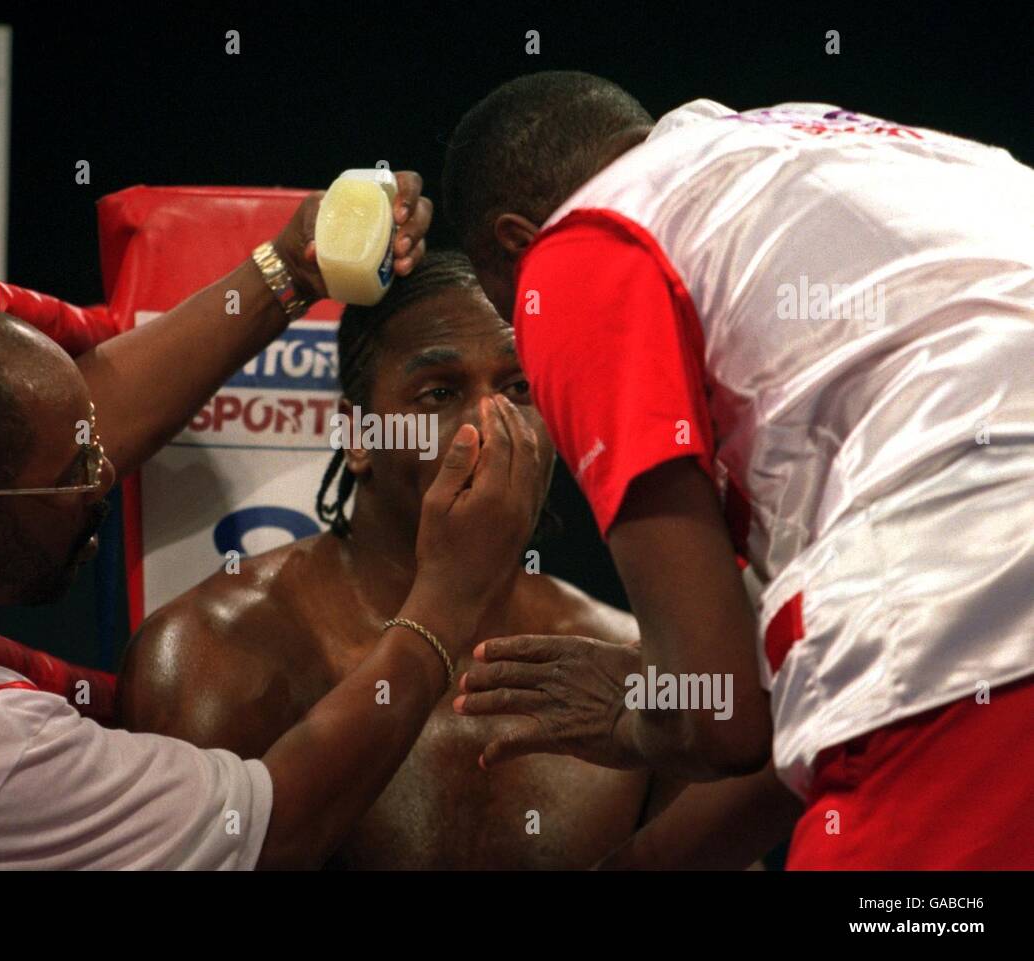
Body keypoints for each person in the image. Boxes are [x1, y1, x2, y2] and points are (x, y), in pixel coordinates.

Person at [0, 180, 550, 871]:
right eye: (76, 475)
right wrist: (448, 596)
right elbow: (272, 827)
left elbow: (59, 429)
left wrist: (291, 268)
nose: (105, 478)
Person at [441, 71, 1034, 868]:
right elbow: (786, 721)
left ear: (517, 244)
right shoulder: (845, 160)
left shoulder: (580, 247)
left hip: (976, 616)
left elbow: (721, 722)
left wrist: (639, 709)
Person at [120, 251, 800, 869]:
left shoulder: (629, 658)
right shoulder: (215, 651)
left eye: (519, 389)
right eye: (440, 393)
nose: (490, 424)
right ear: (357, 435)